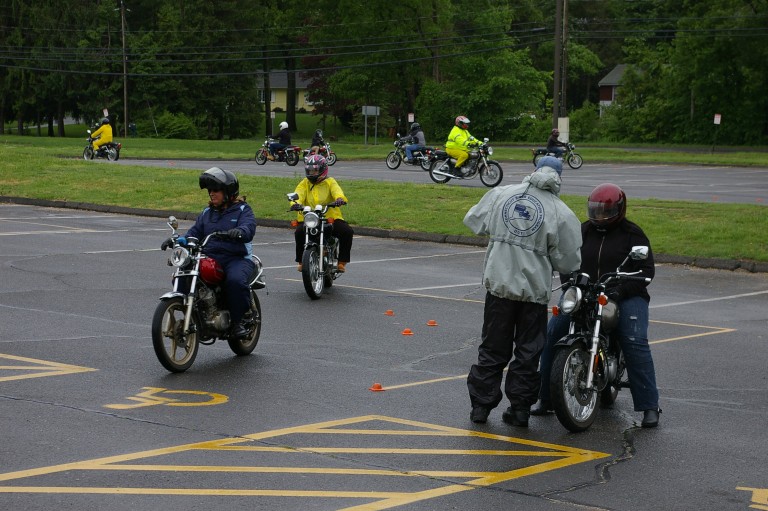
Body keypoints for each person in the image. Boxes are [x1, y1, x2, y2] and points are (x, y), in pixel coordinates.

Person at [463, 156, 582, 427]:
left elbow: (474, 220)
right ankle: (519, 410)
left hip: (499, 288)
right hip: (532, 294)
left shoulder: (501, 194)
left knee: (492, 348)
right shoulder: (560, 212)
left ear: (535, 171)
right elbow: (569, 262)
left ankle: (480, 408)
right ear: (559, 177)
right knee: (528, 352)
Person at [531, 183, 662, 428]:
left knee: (634, 340)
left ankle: (649, 406)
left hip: (625, 294)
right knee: (553, 332)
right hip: (586, 292)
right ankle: (546, 398)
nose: (599, 216)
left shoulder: (633, 234)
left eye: (605, 211)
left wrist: (620, 289)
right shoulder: (583, 231)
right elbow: (567, 261)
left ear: (619, 210)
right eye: (596, 211)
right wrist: (571, 281)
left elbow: (646, 270)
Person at [161, 167, 257, 339]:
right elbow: (194, 233)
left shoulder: (243, 210)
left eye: (216, 190)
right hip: (210, 257)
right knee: (185, 274)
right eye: (209, 190)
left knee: (235, 281)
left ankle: (238, 322)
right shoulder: (207, 213)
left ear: (228, 191)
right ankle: (198, 314)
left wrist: (240, 231)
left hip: (236, 258)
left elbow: (248, 227)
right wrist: (179, 240)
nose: (211, 194)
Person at [289, 154, 353, 273]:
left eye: (314, 170)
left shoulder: (330, 182)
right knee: (299, 232)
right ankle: (301, 262)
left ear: (323, 169)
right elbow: (298, 194)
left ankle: (341, 262)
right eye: (309, 170)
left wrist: (339, 199)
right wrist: (295, 203)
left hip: (329, 217)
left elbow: (337, 191)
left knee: (347, 231)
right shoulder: (304, 183)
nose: (311, 173)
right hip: (309, 218)